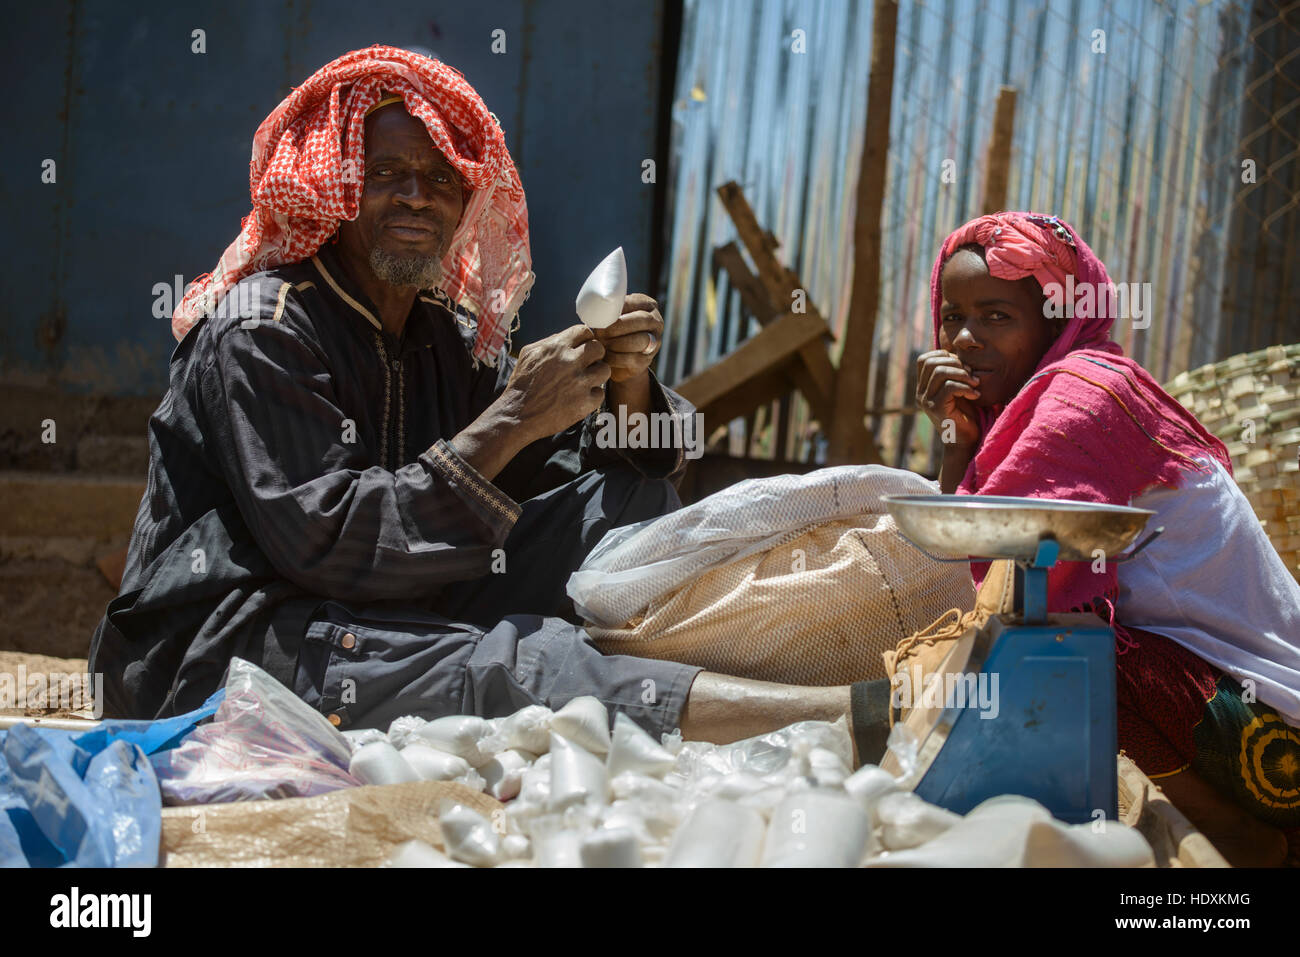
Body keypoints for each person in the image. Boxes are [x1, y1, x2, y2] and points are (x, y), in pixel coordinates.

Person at [89, 45, 887, 762]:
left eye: (440, 180)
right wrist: (512, 416)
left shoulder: (443, 334)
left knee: (627, 499)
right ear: (335, 187)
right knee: (526, 659)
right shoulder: (261, 327)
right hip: (237, 636)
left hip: (392, 590)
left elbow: (569, 472)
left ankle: (750, 659)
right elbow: (323, 541)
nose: (416, 199)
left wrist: (627, 384)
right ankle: (838, 715)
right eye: (386, 175)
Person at [916, 211, 1300, 865]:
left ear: (1058, 321)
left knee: (1073, 651)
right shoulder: (1075, 384)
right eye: (953, 316)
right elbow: (976, 540)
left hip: (1274, 741)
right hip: (1229, 706)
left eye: (996, 316)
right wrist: (954, 435)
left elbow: (1016, 573)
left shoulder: (1079, 400)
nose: (964, 339)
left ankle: (1248, 843)